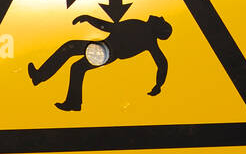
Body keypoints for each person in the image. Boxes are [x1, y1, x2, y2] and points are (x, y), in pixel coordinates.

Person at [28, 13, 172, 110]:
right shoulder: (148, 39)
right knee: (74, 61)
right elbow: (162, 63)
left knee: (73, 58)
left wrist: (89, 18)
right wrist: (159, 85)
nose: (157, 18)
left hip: (105, 51)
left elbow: (109, 27)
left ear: (158, 28)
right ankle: (68, 98)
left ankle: (46, 81)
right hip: (105, 49)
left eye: (161, 21)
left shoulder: (142, 30)